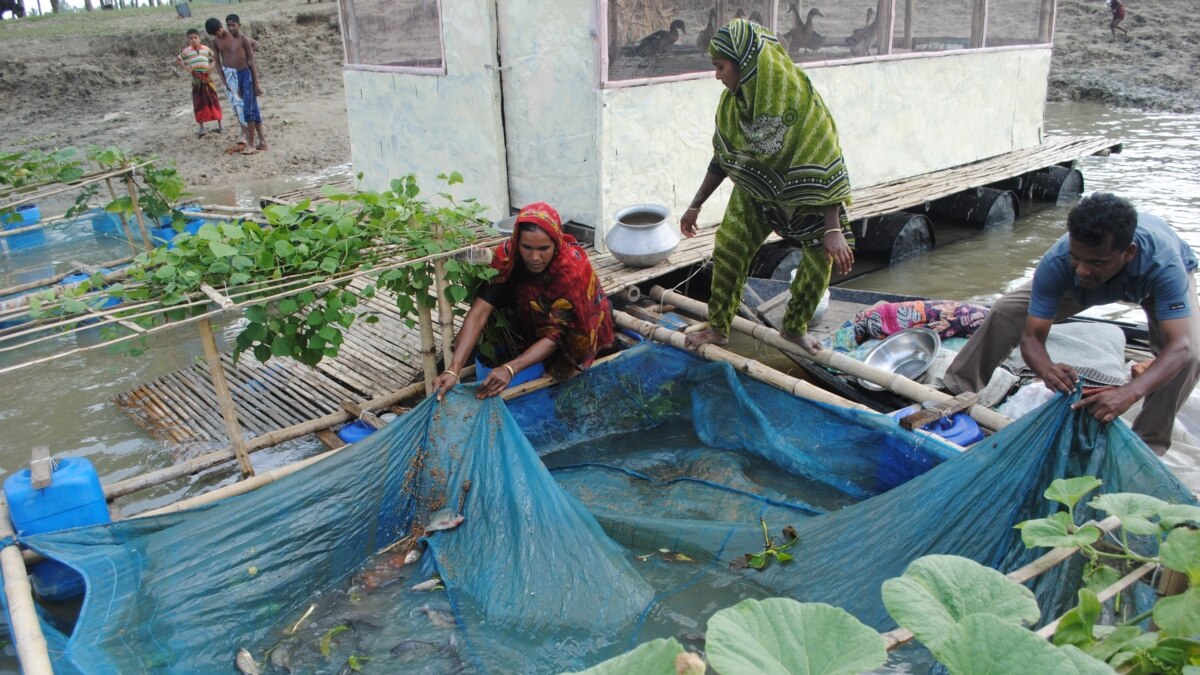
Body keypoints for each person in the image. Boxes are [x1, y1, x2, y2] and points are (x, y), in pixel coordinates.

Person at [944, 193, 1200, 454]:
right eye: (1077, 257)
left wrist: (1129, 392)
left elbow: (1181, 346)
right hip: (1082, 289)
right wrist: (1046, 370)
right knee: (1005, 311)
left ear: (1128, 253)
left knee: (1189, 356)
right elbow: (1032, 337)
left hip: (1151, 286)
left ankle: (1147, 446)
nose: (1083, 270)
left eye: (1095, 261)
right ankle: (954, 390)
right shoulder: (1059, 262)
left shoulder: (1163, 264)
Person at [680, 19, 854, 355]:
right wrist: (695, 204)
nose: (717, 76)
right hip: (756, 192)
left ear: (745, 63)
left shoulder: (800, 103)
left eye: (720, 67)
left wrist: (833, 228)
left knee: (820, 260)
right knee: (729, 245)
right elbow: (723, 157)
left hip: (809, 195)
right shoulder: (733, 105)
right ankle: (719, 326)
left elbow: (827, 156)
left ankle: (794, 328)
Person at [432, 203, 615, 401]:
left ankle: (565, 362)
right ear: (517, 241)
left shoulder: (571, 271)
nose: (535, 257)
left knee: (577, 346)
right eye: (526, 247)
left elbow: (557, 334)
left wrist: (511, 368)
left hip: (579, 325)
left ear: (556, 244)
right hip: (538, 316)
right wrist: (453, 369)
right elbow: (479, 312)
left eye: (543, 248)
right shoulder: (510, 256)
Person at [204, 16, 266, 155]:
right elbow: (218, 63)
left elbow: (254, 48)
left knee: (248, 108)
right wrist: (224, 80)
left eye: (218, 30)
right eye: (214, 33)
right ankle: (254, 139)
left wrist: (242, 57)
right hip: (230, 74)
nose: (218, 34)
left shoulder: (238, 37)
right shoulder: (215, 42)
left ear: (221, 27)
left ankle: (252, 141)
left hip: (243, 72)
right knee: (238, 106)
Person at [174, 28, 223, 138]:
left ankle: (220, 124)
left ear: (199, 38)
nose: (193, 40)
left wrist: (211, 67)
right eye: (191, 38)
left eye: (195, 37)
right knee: (199, 102)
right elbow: (178, 60)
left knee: (213, 100)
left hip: (207, 79)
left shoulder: (206, 49)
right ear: (188, 40)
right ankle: (202, 127)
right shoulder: (187, 51)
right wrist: (188, 69)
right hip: (196, 81)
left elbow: (215, 57)